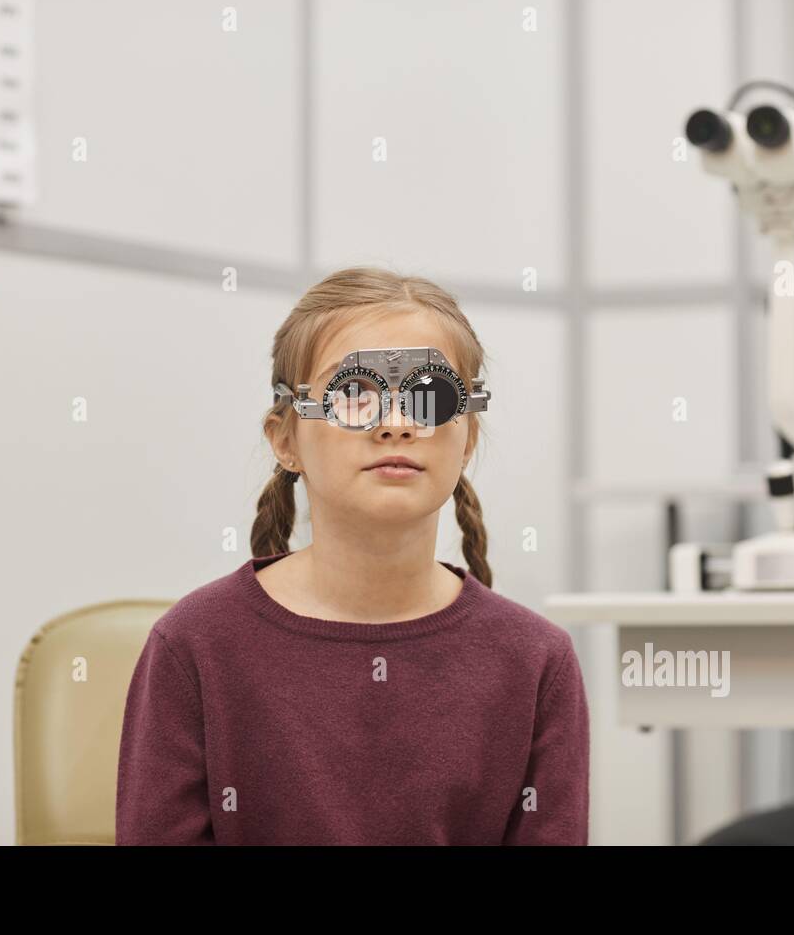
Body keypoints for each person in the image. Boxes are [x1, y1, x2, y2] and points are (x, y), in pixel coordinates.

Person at [116, 266, 589, 844]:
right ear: (286, 439)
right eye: (355, 395)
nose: (395, 425)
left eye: (430, 396)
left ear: (466, 436)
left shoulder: (538, 661)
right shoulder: (195, 645)